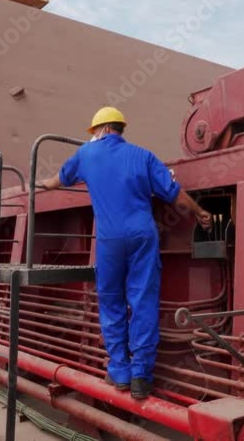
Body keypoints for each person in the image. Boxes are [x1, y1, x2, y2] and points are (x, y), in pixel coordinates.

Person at [40, 106, 212, 400]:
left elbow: (59, 179)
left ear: (103, 129)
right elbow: (173, 191)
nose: (93, 137)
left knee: (110, 301)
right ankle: (141, 378)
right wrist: (201, 212)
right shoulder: (143, 156)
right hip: (142, 236)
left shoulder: (85, 154)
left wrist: (43, 183)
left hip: (109, 241)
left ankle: (119, 371)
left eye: (94, 132)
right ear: (119, 128)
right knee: (143, 301)